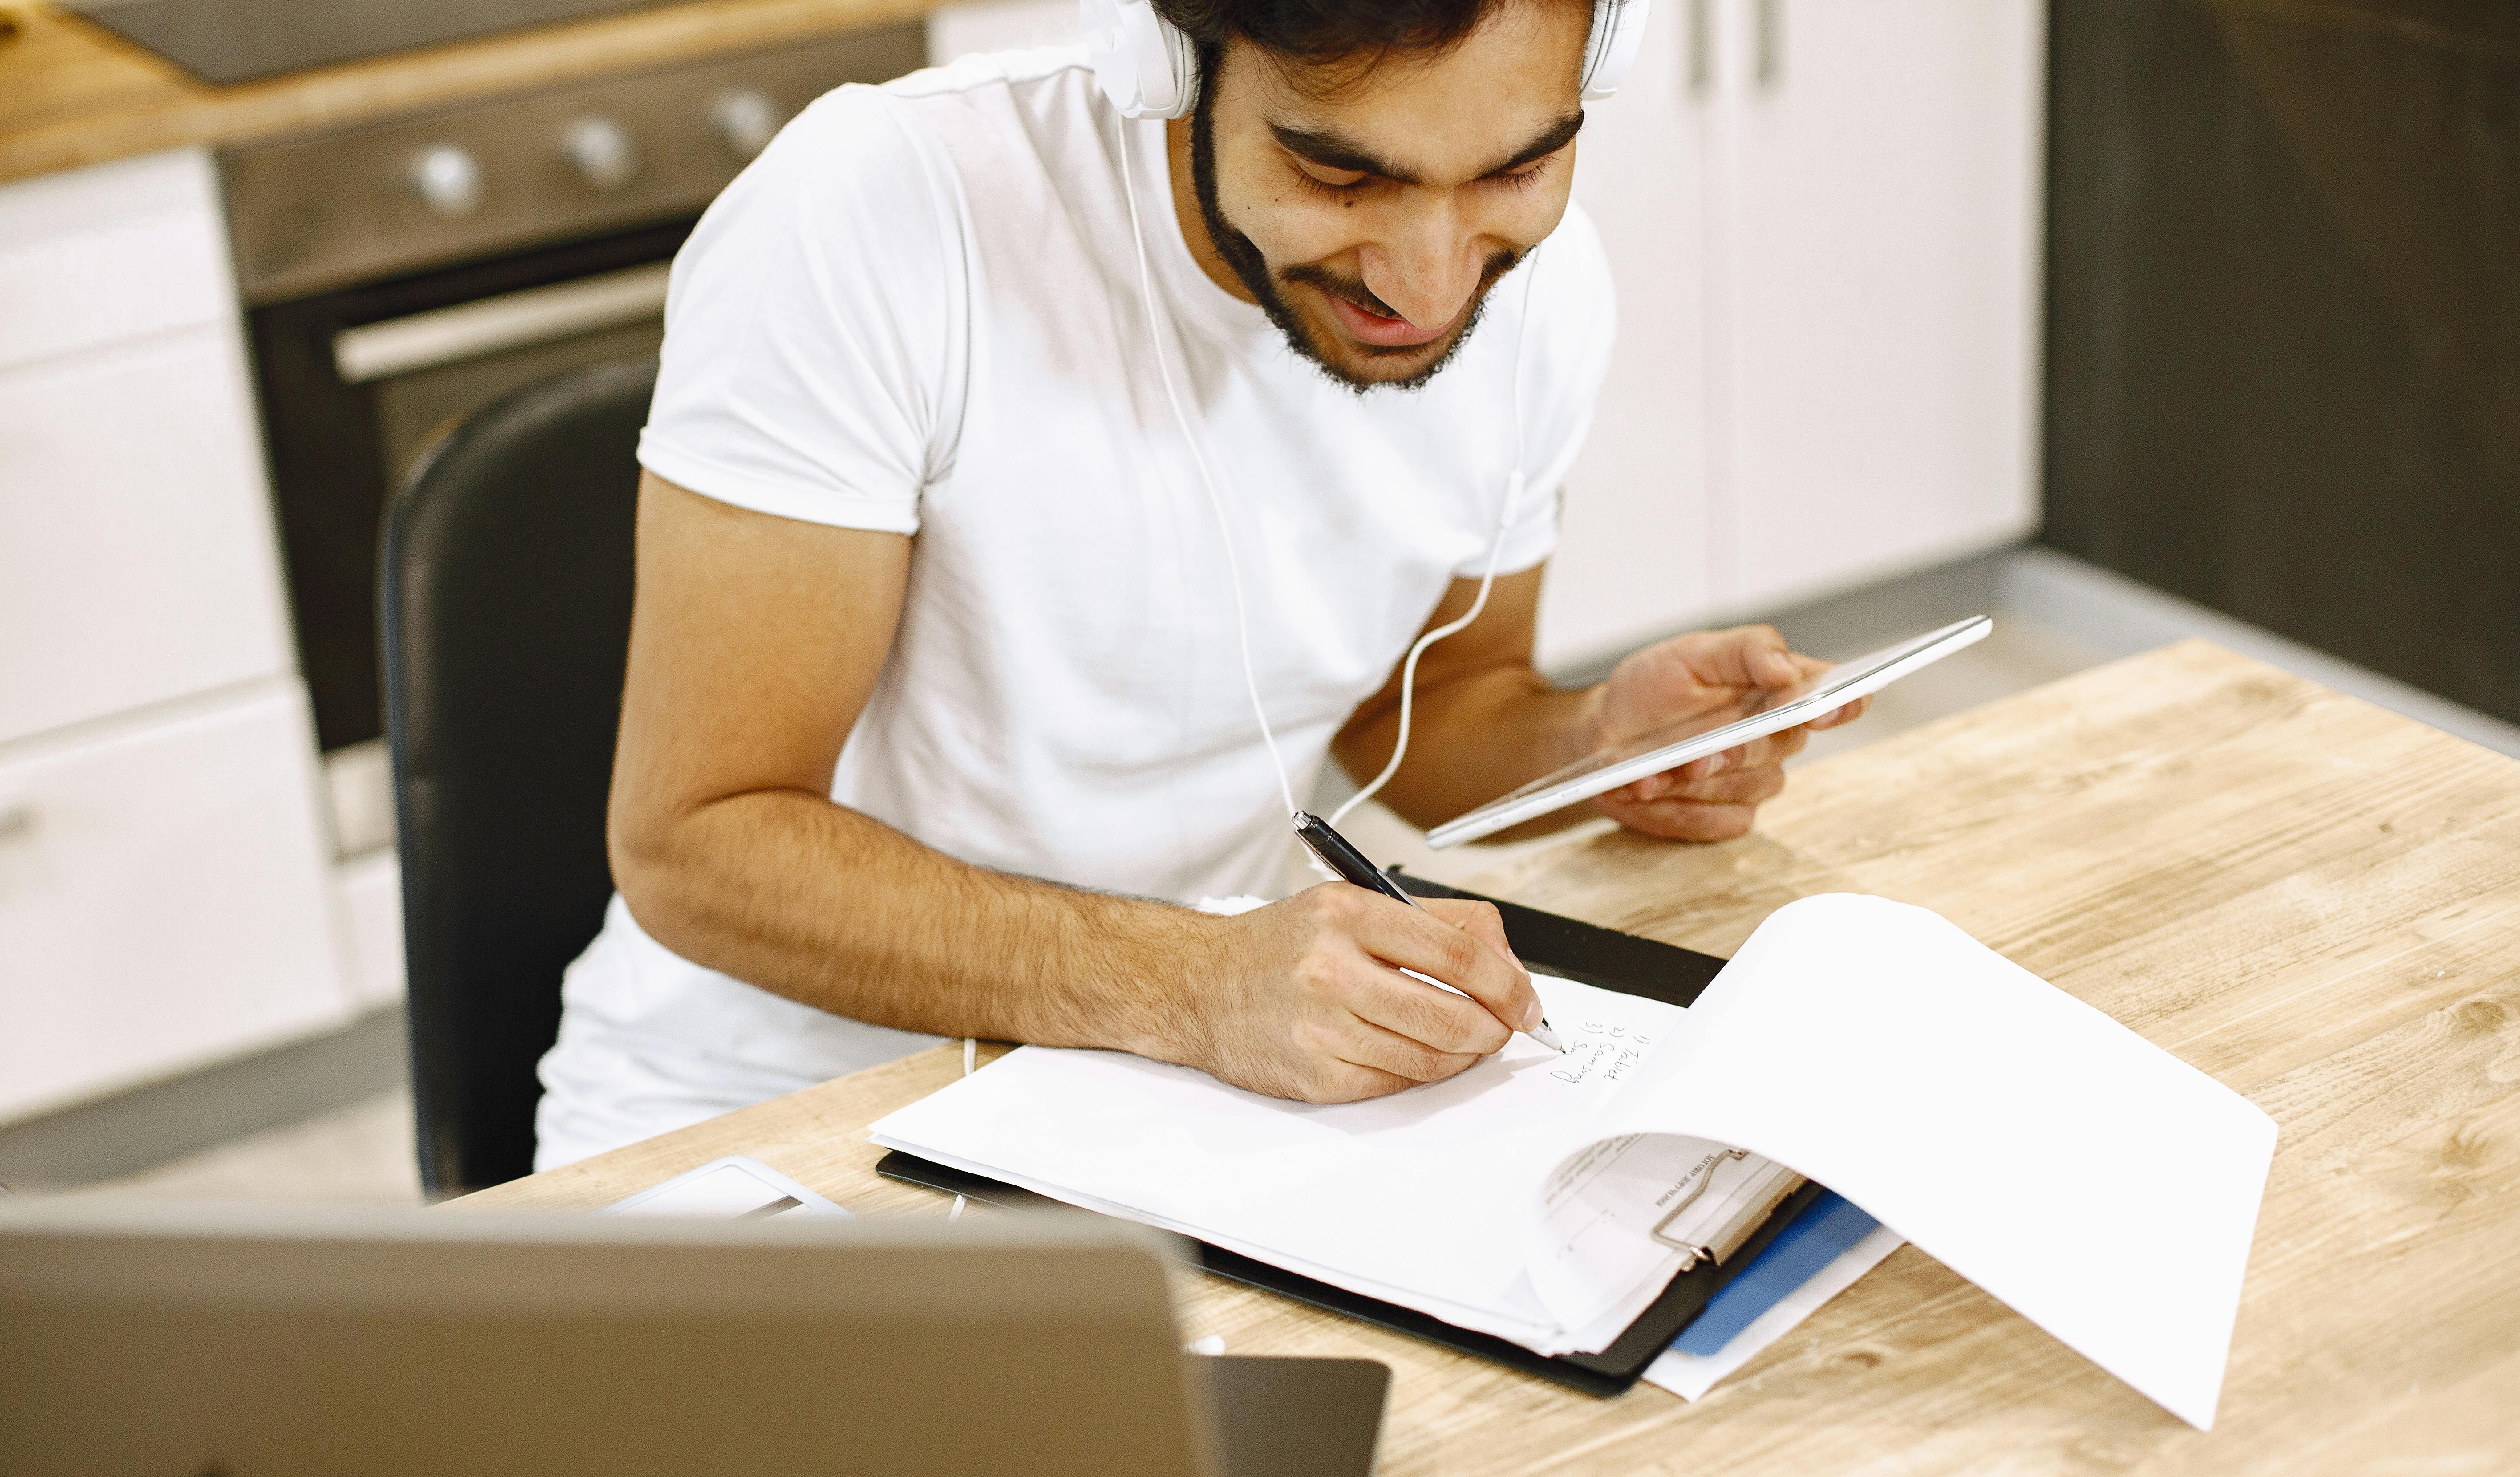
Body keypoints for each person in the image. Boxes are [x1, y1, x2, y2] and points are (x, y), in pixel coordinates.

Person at [534, 0, 1861, 1169]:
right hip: (770, 1109)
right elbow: (696, 845)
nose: (1433, 278)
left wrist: (1597, 747)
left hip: (1177, 1095)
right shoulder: (883, 213)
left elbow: (1437, 709)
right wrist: (1194, 984)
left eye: (1520, 167)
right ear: (1166, 55)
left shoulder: (1549, 294)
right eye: (1338, 173)